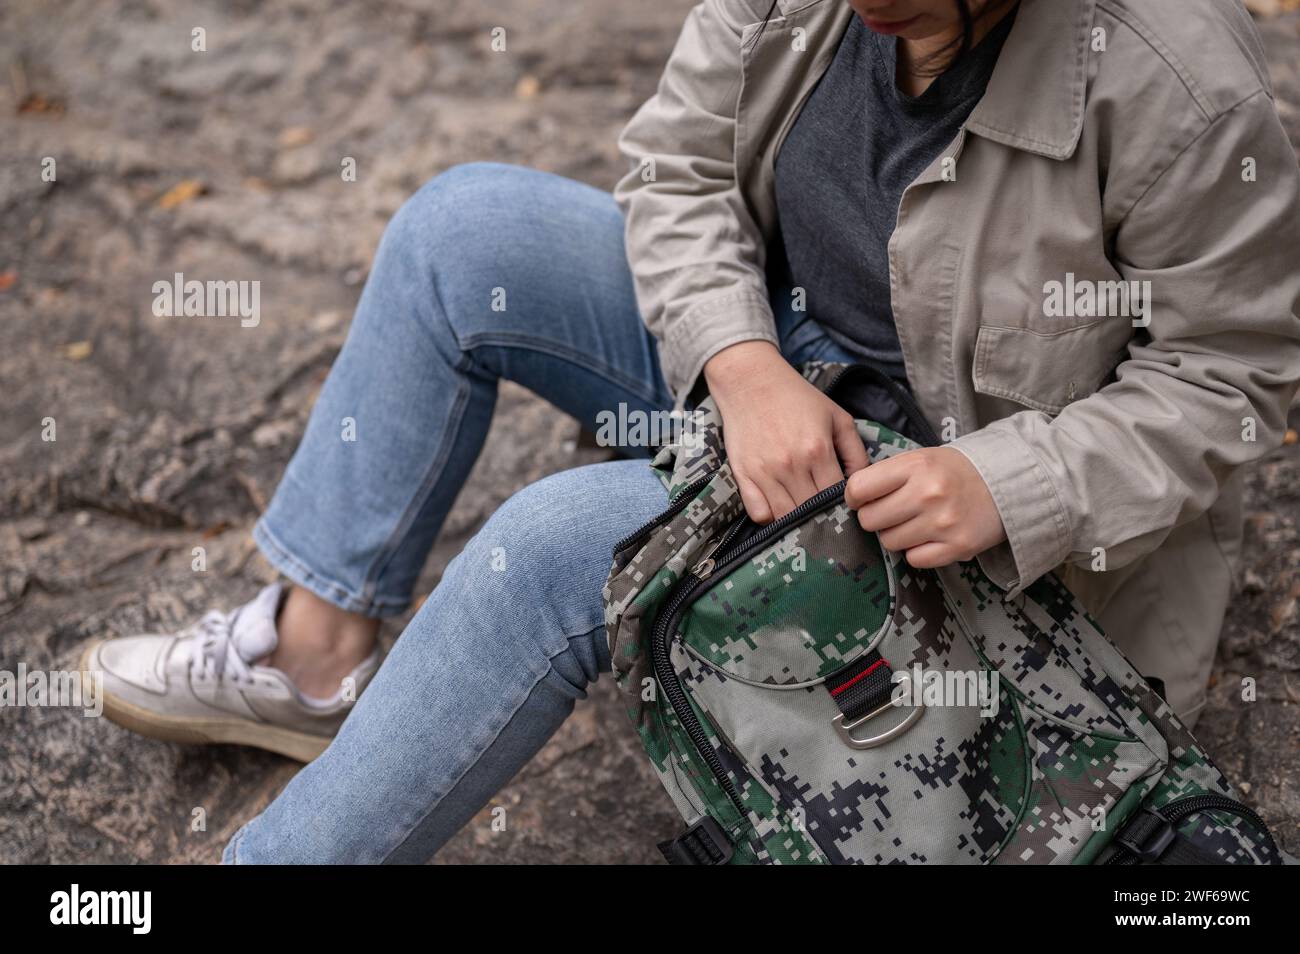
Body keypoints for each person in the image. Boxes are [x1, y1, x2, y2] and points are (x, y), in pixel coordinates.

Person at [82, 0, 1300, 863]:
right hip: (776, 370)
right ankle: (310, 660)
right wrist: (738, 357)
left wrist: (1009, 483)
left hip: (947, 527)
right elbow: (675, 163)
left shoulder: (1177, 83)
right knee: (467, 234)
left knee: (558, 551)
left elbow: (1231, 375)